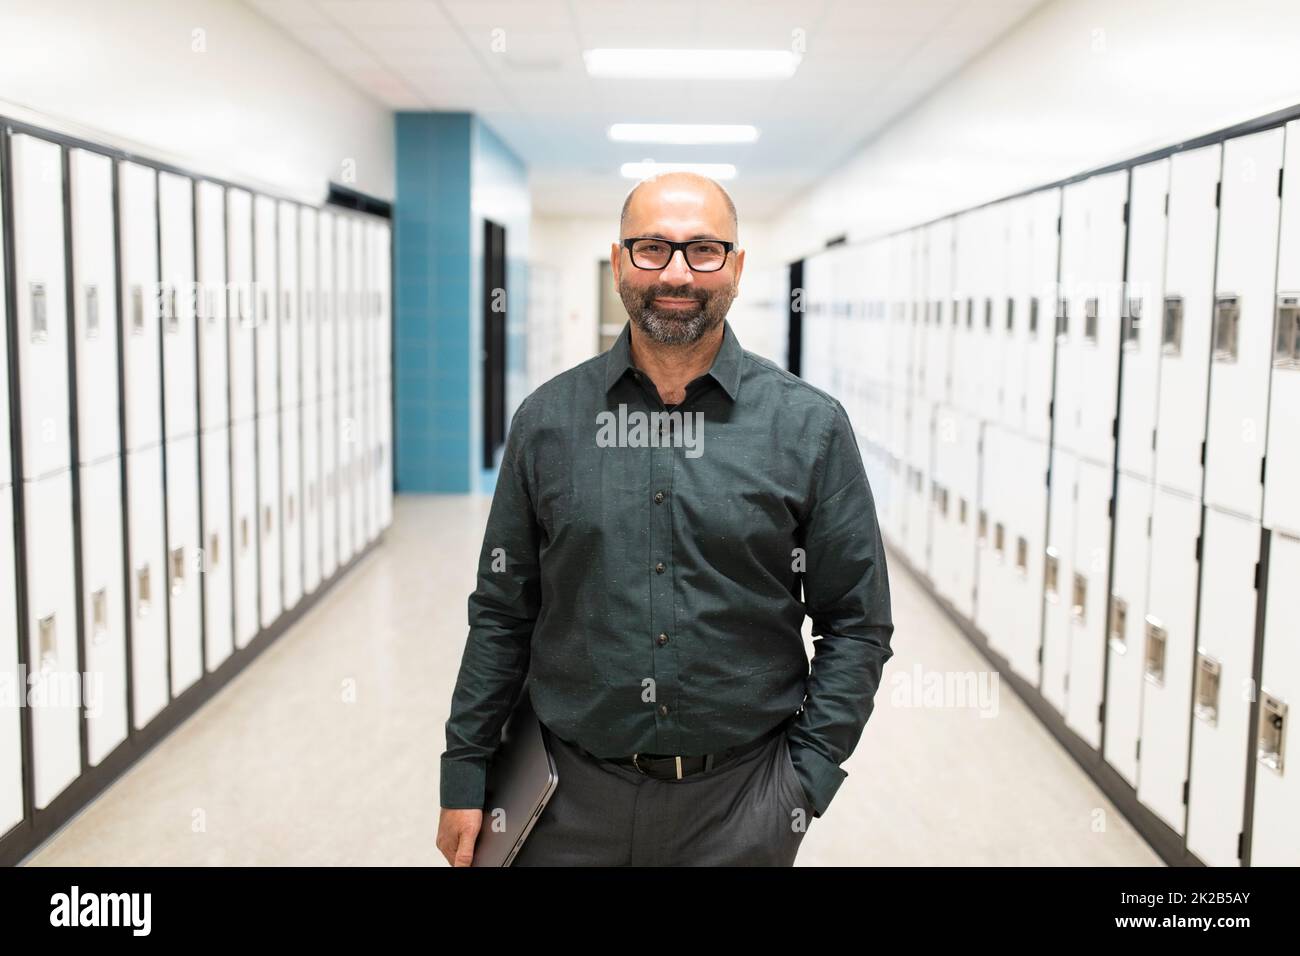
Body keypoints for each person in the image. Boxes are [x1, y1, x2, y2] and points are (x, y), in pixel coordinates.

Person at [435, 171, 894, 866]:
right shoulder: (548, 423)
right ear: (619, 262)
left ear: (736, 268)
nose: (677, 272)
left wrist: (803, 782)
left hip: (742, 807)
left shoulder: (810, 428)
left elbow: (857, 622)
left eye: (703, 250)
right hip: (563, 801)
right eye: (652, 248)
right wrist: (465, 770)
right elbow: (502, 612)